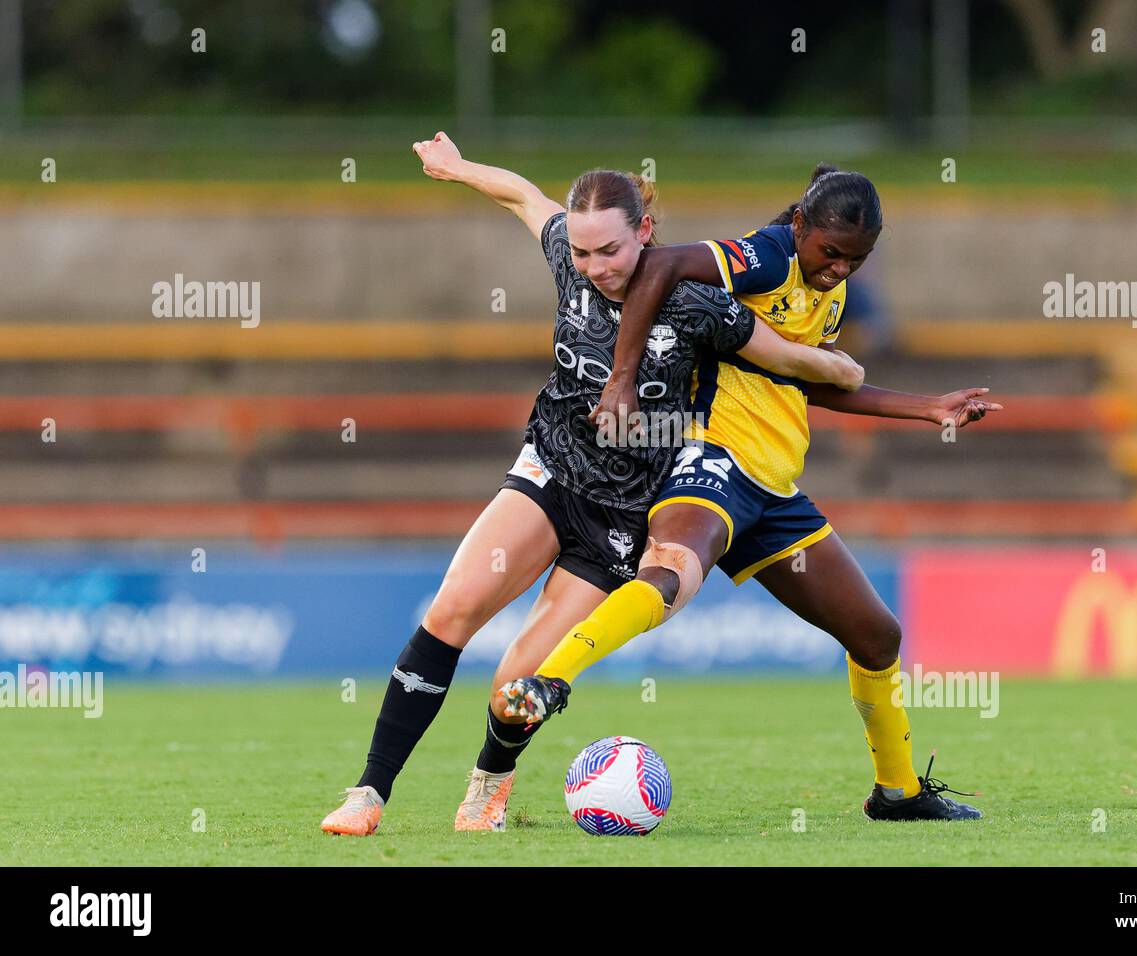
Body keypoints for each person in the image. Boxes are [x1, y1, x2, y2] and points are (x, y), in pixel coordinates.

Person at [319, 136, 864, 835]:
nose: (594, 267)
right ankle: (368, 794)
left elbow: (785, 357)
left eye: (609, 251)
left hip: (626, 514)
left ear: (645, 232)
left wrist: (842, 372)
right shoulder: (566, 258)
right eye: (581, 253)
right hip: (550, 469)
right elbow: (523, 195)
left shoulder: (700, 304)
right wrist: (456, 170)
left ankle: (488, 783)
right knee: (453, 609)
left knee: (521, 674)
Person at [499, 164, 1001, 821]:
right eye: (831, 253)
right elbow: (659, 268)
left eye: (857, 258)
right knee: (674, 570)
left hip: (772, 485)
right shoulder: (766, 254)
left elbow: (809, 380)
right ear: (800, 227)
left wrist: (928, 408)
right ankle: (550, 679)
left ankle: (898, 793)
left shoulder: (827, 289)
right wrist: (621, 379)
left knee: (877, 636)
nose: (840, 269)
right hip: (709, 457)